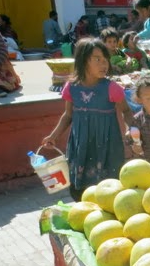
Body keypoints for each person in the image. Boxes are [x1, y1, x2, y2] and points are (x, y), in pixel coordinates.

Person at [41, 38, 135, 201]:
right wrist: (53, 136)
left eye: (105, 60)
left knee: (109, 188)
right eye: (97, 59)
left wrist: (131, 129)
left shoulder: (111, 88)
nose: (103, 64)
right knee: (80, 190)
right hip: (81, 146)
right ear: (83, 61)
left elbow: (126, 111)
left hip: (107, 144)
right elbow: (68, 115)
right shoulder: (72, 87)